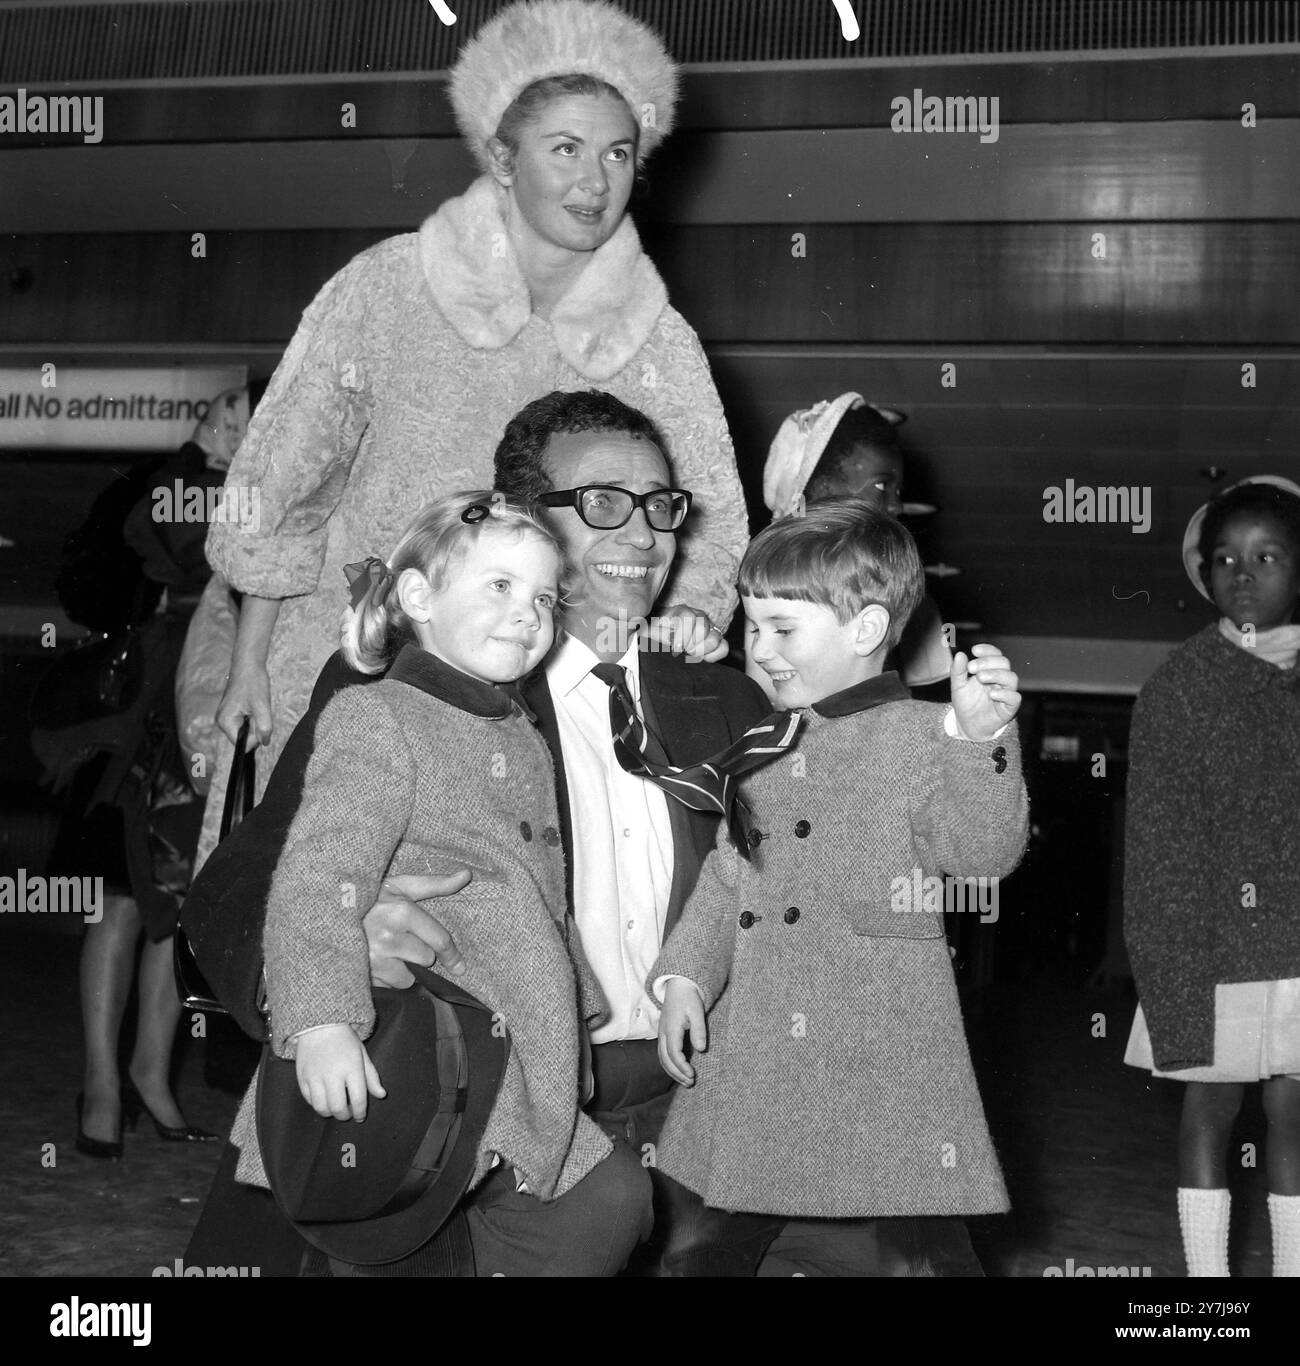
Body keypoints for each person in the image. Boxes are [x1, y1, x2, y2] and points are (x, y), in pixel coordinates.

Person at [184, 389, 768, 1275]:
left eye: (661, 508)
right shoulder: (412, 693)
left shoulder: (724, 697)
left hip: (700, 1116)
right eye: (604, 505)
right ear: (523, 523)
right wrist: (345, 938)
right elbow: (240, 880)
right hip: (472, 1111)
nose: (645, 539)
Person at [197, 0, 748, 873]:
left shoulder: (657, 342)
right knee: (327, 935)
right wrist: (249, 665)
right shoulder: (388, 288)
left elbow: (708, 520)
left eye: (617, 153)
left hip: (538, 692)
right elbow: (283, 487)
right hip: (349, 669)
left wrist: (676, 628)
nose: (594, 182)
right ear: (500, 157)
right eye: (564, 149)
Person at [220, 489, 649, 1276]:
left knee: (605, 1202)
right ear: (417, 596)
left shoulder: (512, 730)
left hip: (516, 1052)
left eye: (545, 598)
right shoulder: (379, 716)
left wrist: (570, 1005)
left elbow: (536, 897)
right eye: (499, 587)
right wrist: (320, 1021)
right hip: (419, 1048)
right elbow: (318, 877)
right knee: (400, 1232)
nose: (528, 613)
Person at [649, 500, 1029, 1274]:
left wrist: (981, 741)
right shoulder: (759, 746)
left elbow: (982, 857)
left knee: (918, 1259)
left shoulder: (934, 736)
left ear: (864, 630)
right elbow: (729, 874)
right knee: (702, 1250)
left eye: (784, 629)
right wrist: (687, 974)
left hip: (881, 1064)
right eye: (753, 627)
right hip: (754, 1061)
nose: (761, 649)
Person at [1123, 476, 1300, 1278]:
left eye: (1266, 556)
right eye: (1226, 558)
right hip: (1208, 945)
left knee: (1294, 1110)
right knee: (1210, 1105)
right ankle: (1207, 1294)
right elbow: (1157, 844)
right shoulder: (1178, 686)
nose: (1243, 573)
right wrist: (1164, 962)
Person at [71, 391, 249, 1157]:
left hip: (210, 714)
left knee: (173, 908)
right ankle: (103, 1086)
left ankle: (150, 1072)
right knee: (116, 900)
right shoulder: (170, 486)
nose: (248, 424)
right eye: (234, 412)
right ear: (207, 421)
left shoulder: (261, 485)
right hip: (142, 719)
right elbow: (178, 554)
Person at [756, 392, 951, 690]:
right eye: (882, 485)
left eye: (898, 491)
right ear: (821, 489)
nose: (897, 506)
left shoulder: (898, 593)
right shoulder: (771, 586)